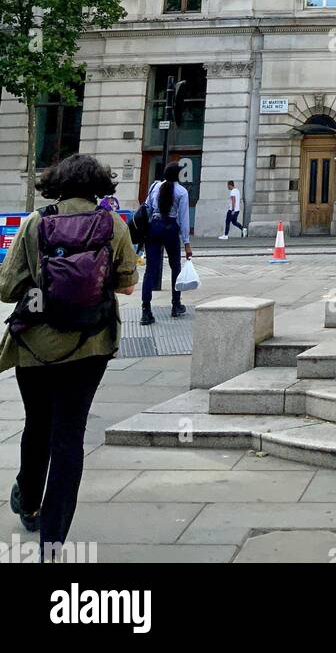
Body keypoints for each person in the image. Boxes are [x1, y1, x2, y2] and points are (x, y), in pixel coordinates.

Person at [0, 154, 138, 559]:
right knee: (69, 436)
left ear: (56, 184)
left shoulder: (34, 223)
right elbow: (128, 287)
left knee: (37, 425)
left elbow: (7, 290)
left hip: (36, 346)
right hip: (89, 344)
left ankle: (28, 501)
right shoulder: (113, 224)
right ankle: (54, 542)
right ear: (99, 185)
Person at [141, 162, 191, 325]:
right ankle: (176, 304)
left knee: (150, 270)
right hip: (170, 228)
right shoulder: (181, 192)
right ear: (178, 175)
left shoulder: (155, 186)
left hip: (154, 226)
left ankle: (146, 310)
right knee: (175, 266)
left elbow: (147, 207)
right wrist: (187, 243)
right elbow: (184, 219)